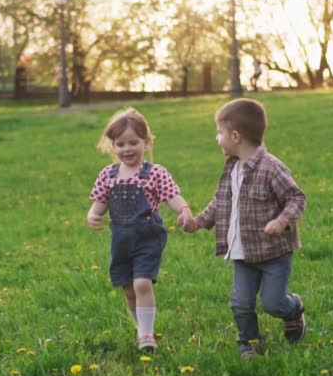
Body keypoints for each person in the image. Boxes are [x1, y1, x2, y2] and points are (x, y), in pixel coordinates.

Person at [182, 98, 306, 359]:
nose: (218, 139)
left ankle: (293, 308)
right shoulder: (231, 169)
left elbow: (297, 198)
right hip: (243, 253)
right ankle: (249, 342)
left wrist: (282, 220)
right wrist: (198, 222)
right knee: (240, 303)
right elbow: (220, 202)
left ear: (235, 136)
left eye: (220, 133)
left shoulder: (271, 168)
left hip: (273, 253)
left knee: (273, 304)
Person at [88, 108, 193, 352]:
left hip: (148, 238)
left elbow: (172, 196)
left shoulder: (155, 173)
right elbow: (99, 204)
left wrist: (184, 210)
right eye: (120, 144)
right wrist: (92, 215)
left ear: (146, 142)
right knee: (128, 287)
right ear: (112, 146)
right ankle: (141, 328)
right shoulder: (108, 175)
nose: (127, 149)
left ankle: (146, 335)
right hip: (121, 241)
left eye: (133, 143)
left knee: (142, 284)